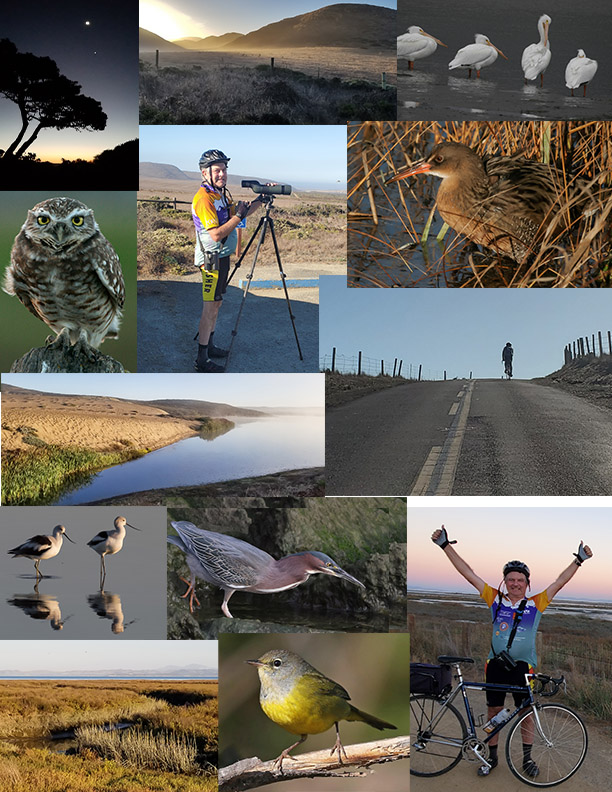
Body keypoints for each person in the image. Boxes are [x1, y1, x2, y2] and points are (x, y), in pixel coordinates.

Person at [431, 525, 592, 778]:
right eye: (510, 579)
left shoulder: (536, 603)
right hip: (495, 665)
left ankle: (527, 759)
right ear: (504, 582)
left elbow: (559, 582)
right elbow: (468, 573)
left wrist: (578, 560)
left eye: (520, 580)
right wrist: (445, 545)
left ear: (528, 584)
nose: (515, 584)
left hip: (523, 667)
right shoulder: (495, 599)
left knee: (526, 714)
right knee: (494, 712)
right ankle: (492, 758)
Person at [192, 149, 266, 373]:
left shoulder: (222, 194)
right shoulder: (204, 198)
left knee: (217, 304)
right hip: (211, 258)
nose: (222, 174)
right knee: (209, 308)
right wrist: (238, 216)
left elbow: (240, 213)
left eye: (224, 170)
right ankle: (201, 359)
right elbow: (215, 234)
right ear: (205, 173)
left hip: (222, 256)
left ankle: (210, 346)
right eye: (217, 170)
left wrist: (259, 200)